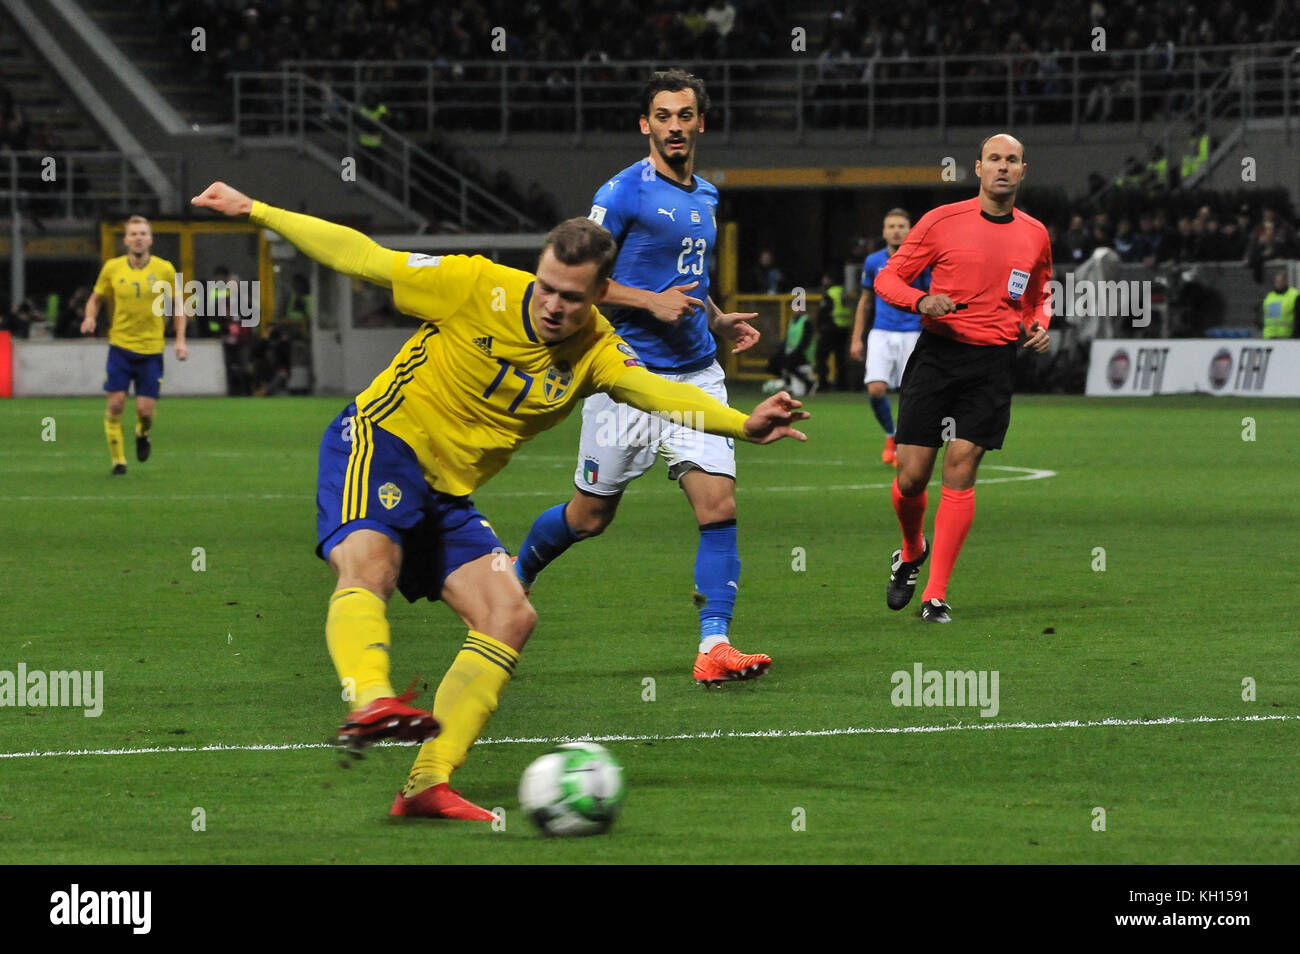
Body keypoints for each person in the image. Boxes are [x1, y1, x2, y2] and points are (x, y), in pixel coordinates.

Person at [190, 180, 808, 820]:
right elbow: (364, 257)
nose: (551, 306)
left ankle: (426, 784)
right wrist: (258, 210)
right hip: (383, 441)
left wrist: (741, 423)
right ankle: (369, 698)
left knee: (509, 616)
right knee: (370, 565)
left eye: (572, 298)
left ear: (599, 297)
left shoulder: (597, 349)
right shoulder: (473, 284)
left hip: (448, 493)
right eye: (545, 287)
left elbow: (656, 393)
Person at [513, 69, 772, 686]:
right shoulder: (623, 192)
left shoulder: (706, 195)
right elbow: (583, 278)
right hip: (624, 376)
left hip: (695, 375)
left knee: (718, 504)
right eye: (663, 116)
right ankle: (509, 585)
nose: (675, 127)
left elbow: (690, 279)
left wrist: (717, 320)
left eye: (685, 116)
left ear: (700, 123)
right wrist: (648, 303)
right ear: (645, 124)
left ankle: (714, 645)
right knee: (587, 518)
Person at [872, 133, 1052, 623]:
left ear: (1022, 171)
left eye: (1012, 160)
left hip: (993, 361)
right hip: (938, 354)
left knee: (962, 467)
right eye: (994, 159)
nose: (1003, 167)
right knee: (911, 478)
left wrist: (1039, 325)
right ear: (978, 167)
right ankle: (911, 550)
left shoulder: (1035, 233)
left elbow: (1039, 295)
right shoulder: (941, 221)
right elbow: (888, 278)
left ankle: (935, 595)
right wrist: (920, 300)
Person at [80, 216, 188, 475]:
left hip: (152, 350)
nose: (138, 237)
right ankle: (119, 461)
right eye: (134, 233)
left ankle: (143, 432)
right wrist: (90, 316)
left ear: (150, 239)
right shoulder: (112, 268)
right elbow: (95, 299)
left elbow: (179, 306)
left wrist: (180, 340)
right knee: (116, 404)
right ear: (126, 239)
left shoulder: (165, 269)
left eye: (143, 233)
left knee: (145, 411)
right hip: (120, 347)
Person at [851, 208, 929, 466]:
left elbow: (930, 297)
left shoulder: (921, 260)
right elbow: (865, 301)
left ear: (910, 230)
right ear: (884, 232)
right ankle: (890, 435)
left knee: (912, 394)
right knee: (875, 389)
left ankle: (904, 446)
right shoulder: (873, 262)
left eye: (901, 226)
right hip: (882, 332)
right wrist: (856, 338)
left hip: (913, 332)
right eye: (891, 226)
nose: (896, 230)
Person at [814, 269, 853, 391]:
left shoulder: (829, 293)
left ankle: (823, 383)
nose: (823, 281)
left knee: (821, 356)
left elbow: (824, 312)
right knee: (840, 358)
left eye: (825, 278)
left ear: (830, 280)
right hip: (844, 328)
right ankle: (842, 384)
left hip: (830, 328)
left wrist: (820, 326)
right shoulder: (843, 292)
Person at [1261, 270, 1298, 339]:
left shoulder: (1294, 295)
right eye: (1277, 281)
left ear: (1285, 281)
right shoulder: (1269, 296)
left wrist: (1296, 334)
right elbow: (1261, 313)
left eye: (1280, 281)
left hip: (1287, 336)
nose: (1278, 283)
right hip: (1269, 335)